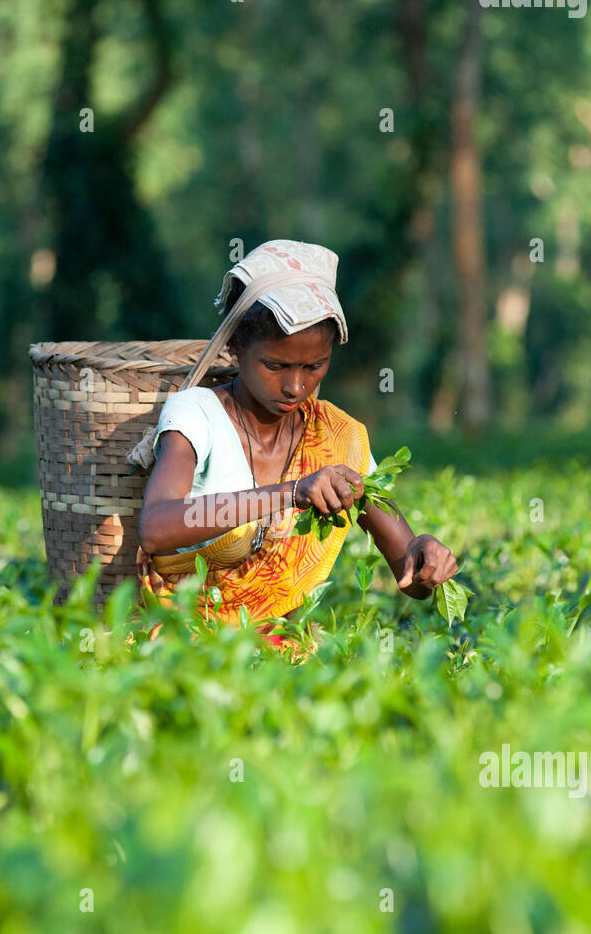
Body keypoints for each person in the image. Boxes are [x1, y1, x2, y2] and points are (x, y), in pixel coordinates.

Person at [136, 240, 458, 654]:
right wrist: (290, 493)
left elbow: (408, 573)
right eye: (275, 366)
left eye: (314, 367)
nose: (295, 386)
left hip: (278, 645)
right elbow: (156, 527)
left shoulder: (337, 437)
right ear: (236, 347)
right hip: (183, 635)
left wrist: (425, 554)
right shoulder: (197, 413)